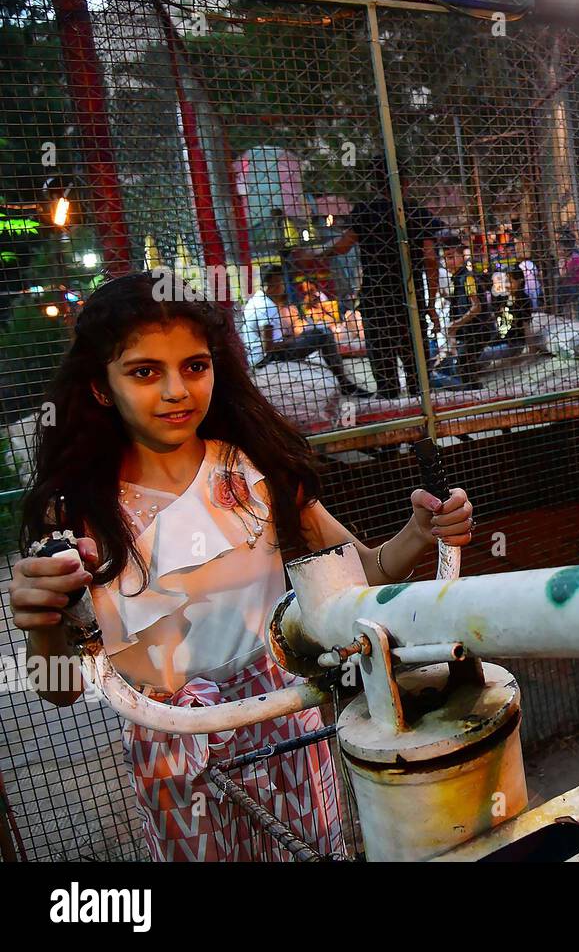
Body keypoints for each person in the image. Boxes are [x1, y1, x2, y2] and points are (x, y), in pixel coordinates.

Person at [8, 271, 476, 861]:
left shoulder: (254, 473)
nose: (177, 390)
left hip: (286, 719)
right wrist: (43, 621)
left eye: (195, 366)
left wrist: (421, 533)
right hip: (174, 744)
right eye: (145, 371)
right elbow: (62, 689)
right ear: (102, 388)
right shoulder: (76, 514)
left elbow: (365, 576)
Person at [310, 162, 443, 399]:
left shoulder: (366, 212)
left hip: (377, 302)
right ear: (405, 183)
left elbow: (341, 246)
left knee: (386, 378)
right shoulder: (417, 213)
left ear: (374, 184)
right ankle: (426, 420)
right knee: (419, 378)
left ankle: (393, 419)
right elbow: (430, 259)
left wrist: (317, 254)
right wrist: (431, 304)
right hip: (410, 301)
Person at [238, 264, 372, 399]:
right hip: (267, 359)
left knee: (317, 331)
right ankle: (345, 384)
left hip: (261, 354)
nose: (284, 286)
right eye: (281, 282)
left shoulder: (256, 300)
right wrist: (293, 339)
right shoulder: (267, 307)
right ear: (272, 285)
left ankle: (345, 383)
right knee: (323, 334)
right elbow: (269, 347)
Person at [442, 238, 493, 390]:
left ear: (461, 257)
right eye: (445, 258)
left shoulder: (468, 278)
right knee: (465, 367)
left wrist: (456, 324)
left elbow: (476, 307)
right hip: (469, 331)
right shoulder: (457, 279)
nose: (447, 262)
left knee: (464, 366)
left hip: (477, 330)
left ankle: (477, 396)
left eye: (451, 257)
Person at [555, 233, 579, 319]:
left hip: (578, 287)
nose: (559, 250)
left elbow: (566, 275)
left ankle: (560, 313)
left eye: (561, 248)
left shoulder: (575, 258)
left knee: (560, 289)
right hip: (572, 285)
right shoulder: (568, 258)